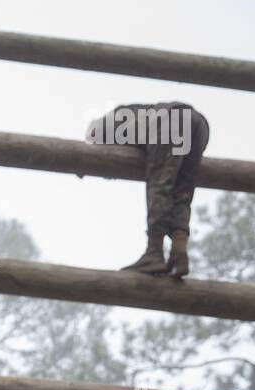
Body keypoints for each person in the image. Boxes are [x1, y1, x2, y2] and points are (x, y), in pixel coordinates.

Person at [86, 101, 209, 278]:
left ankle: (154, 252)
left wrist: (86, 165)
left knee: (159, 184)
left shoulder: (112, 121)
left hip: (171, 120)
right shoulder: (133, 118)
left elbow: (99, 150)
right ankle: (179, 252)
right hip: (200, 126)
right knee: (182, 191)